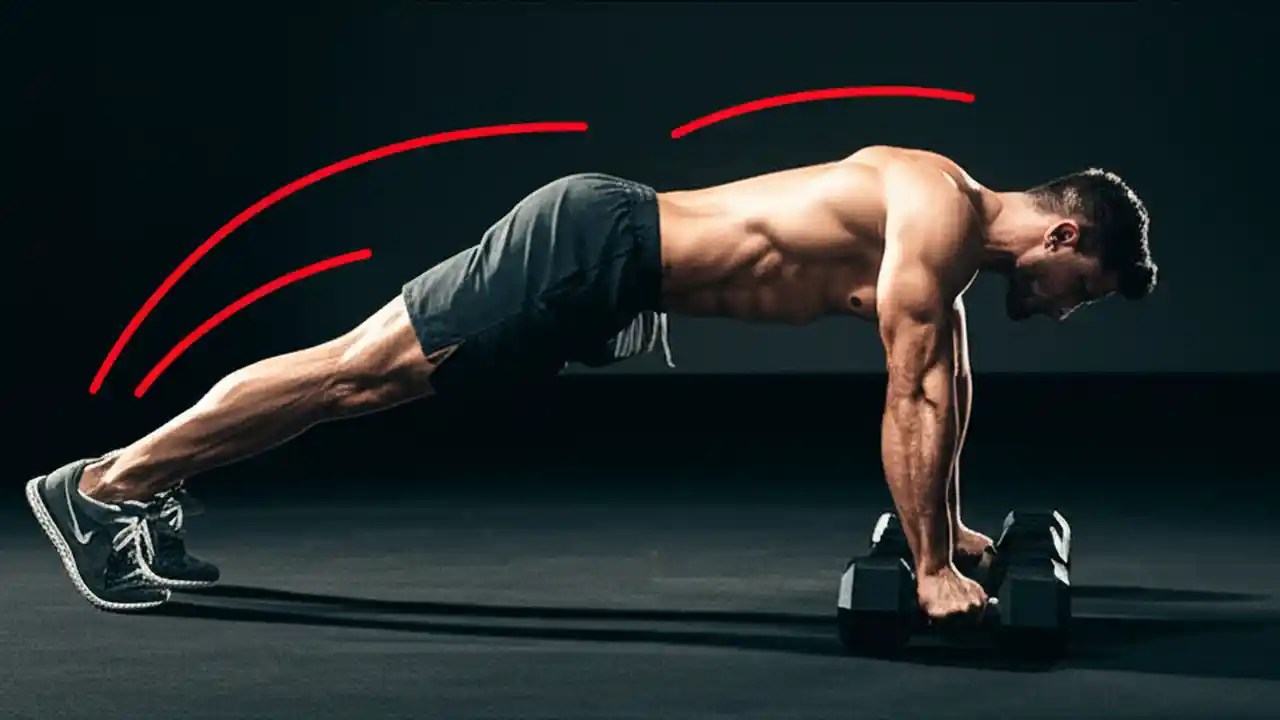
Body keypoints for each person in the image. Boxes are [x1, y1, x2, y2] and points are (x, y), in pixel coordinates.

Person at [27, 145, 1156, 619]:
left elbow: (942, 393)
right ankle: (105, 487)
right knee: (350, 379)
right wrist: (924, 572)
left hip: (606, 264)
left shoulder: (944, 241)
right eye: (1084, 290)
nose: (1067, 310)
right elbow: (908, 391)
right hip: (598, 251)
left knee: (353, 382)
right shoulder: (939, 214)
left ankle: (131, 487)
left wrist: (952, 535)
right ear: (1062, 237)